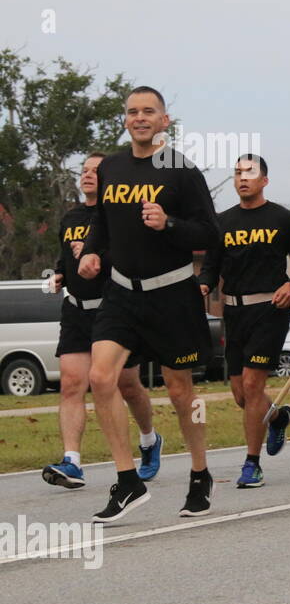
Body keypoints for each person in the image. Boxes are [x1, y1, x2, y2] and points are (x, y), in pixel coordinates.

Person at [77, 86, 219, 521]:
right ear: (125, 120)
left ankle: (200, 473)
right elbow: (102, 221)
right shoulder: (113, 167)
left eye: (148, 111)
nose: (140, 117)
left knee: (180, 392)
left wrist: (169, 222)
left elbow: (211, 234)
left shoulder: (183, 171)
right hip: (122, 293)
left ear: (164, 120)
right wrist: (94, 253)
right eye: (132, 111)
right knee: (101, 378)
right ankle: (127, 481)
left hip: (172, 293)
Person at [42, 152, 162, 490]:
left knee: (126, 386)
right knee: (70, 384)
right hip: (76, 311)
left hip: (114, 309)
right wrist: (54, 278)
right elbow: (61, 263)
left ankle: (150, 440)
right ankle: (72, 462)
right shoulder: (70, 218)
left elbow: (134, 259)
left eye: (96, 171)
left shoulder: (117, 215)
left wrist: (98, 256)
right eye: (84, 171)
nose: (88, 175)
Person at [199, 154, 290, 488]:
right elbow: (210, 265)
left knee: (252, 386)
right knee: (240, 394)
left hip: (270, 311)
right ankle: (277, 417)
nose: (242, 178)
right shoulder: (221, 222)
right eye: (237, 173)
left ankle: (252, 464)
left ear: (264, 180)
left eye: (249, 173)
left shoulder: (283, 219)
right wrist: (203, 283)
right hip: (234, 313)